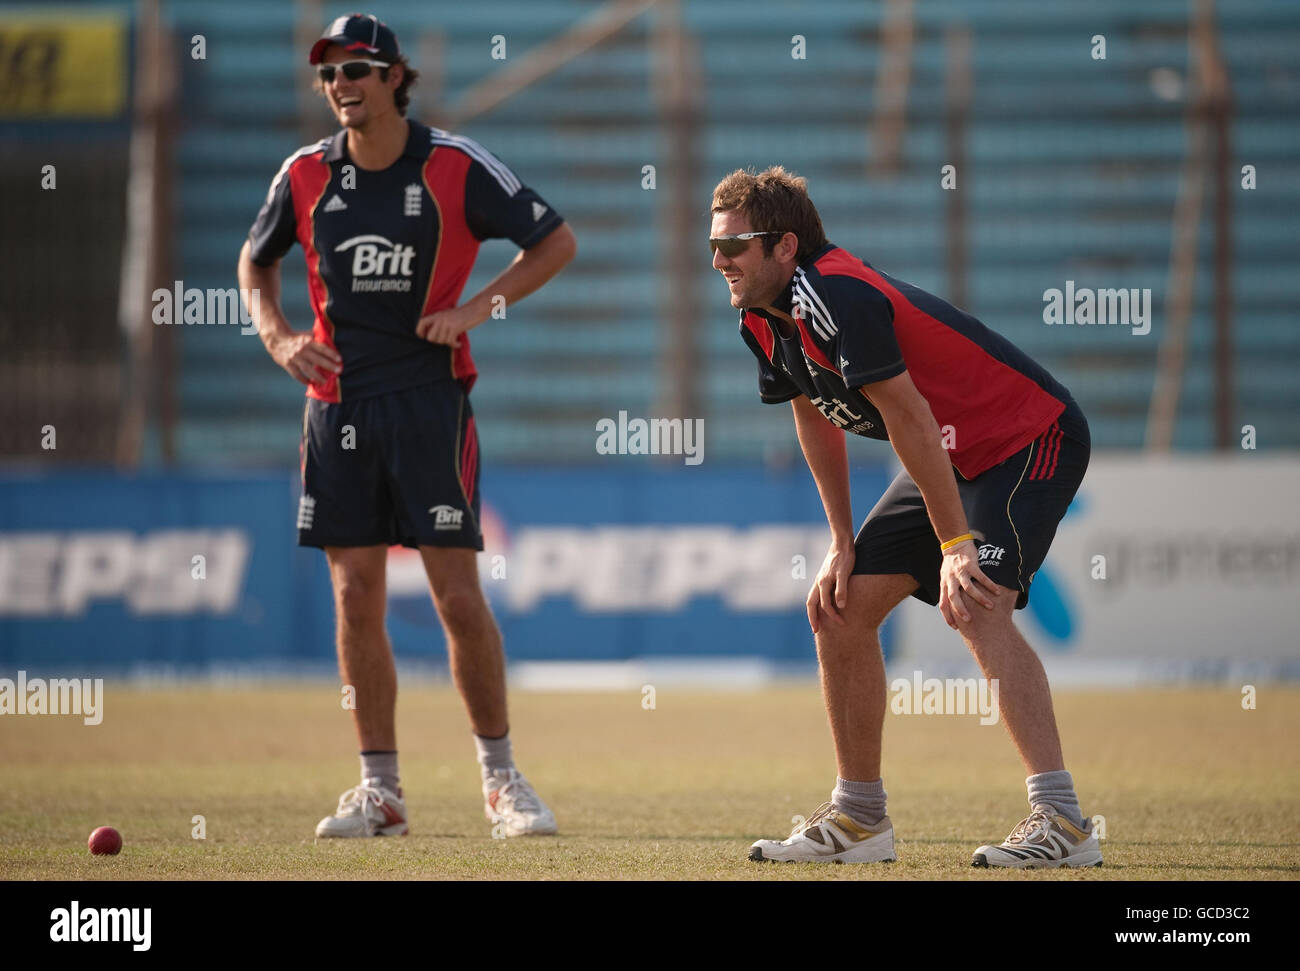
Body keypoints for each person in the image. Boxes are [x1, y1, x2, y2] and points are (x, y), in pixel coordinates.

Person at [237, 14, 576, 838]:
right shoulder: (306, 173)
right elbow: (256, 261)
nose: (341, 85)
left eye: (357, 69)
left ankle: (501, 781)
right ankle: (380, 793)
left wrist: (474, 309)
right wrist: (280, 338)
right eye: (330, 74)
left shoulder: (454, 165)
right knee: (355, 597)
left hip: (428, 402)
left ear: (395, 78)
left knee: (458, 598)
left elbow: (554, 242)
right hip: (337, 407)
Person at [711, 166, 1100, 868]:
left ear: (785, 247)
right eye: (712, 246)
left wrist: (957, 545)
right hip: (950, 454)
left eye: (735, 246)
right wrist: (840, 541)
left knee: (976, 603)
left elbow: (910, 416)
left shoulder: (836, 293)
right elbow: (813, 415)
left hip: (1027, 436)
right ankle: (861, 818)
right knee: (839, 608)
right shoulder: (758, 317)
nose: (719, 261)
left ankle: (1065, 822)